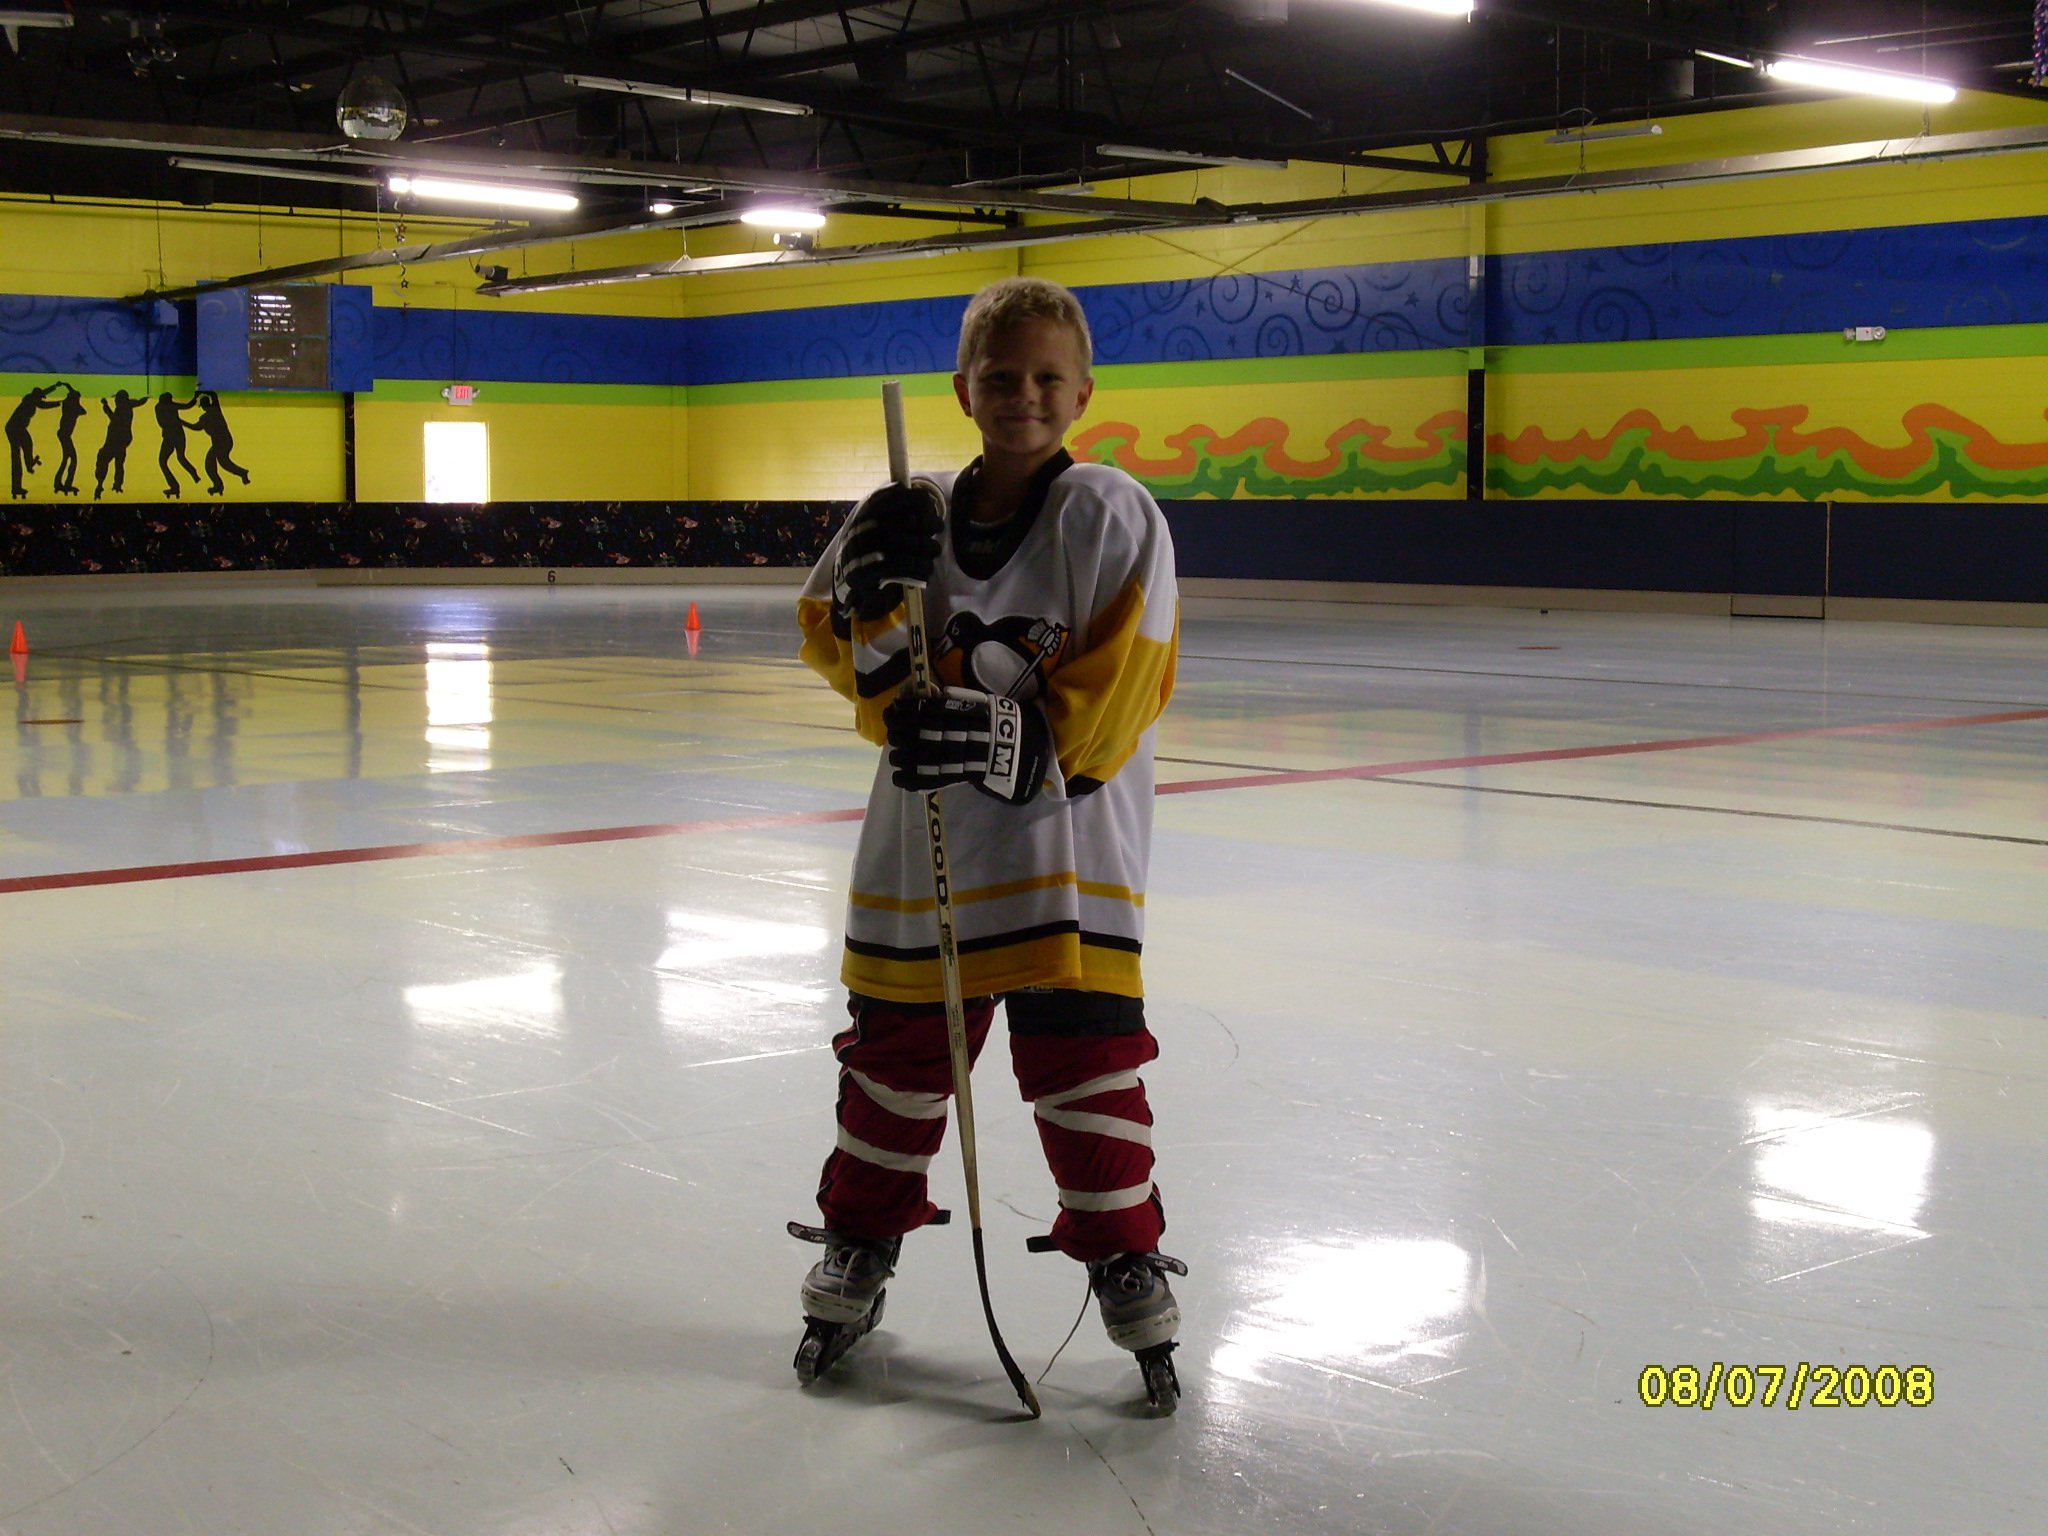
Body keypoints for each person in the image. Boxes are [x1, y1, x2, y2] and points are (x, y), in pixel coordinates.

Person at [793, 277, 1184, 1405]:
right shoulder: (901, 507)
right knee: (894, 1079)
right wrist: (877, 605)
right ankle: (857, 1241)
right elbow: (849, 660)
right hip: (923, 867)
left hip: (1071, 862)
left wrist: (1012, 736)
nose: (1023, 395)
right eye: (1000, 377)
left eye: (1045, 378)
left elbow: (1128, 680)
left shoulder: (1107, 510)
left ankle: (1122, 1250)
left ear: (1082, 392)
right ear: (963, 389)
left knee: (1086, 1077)